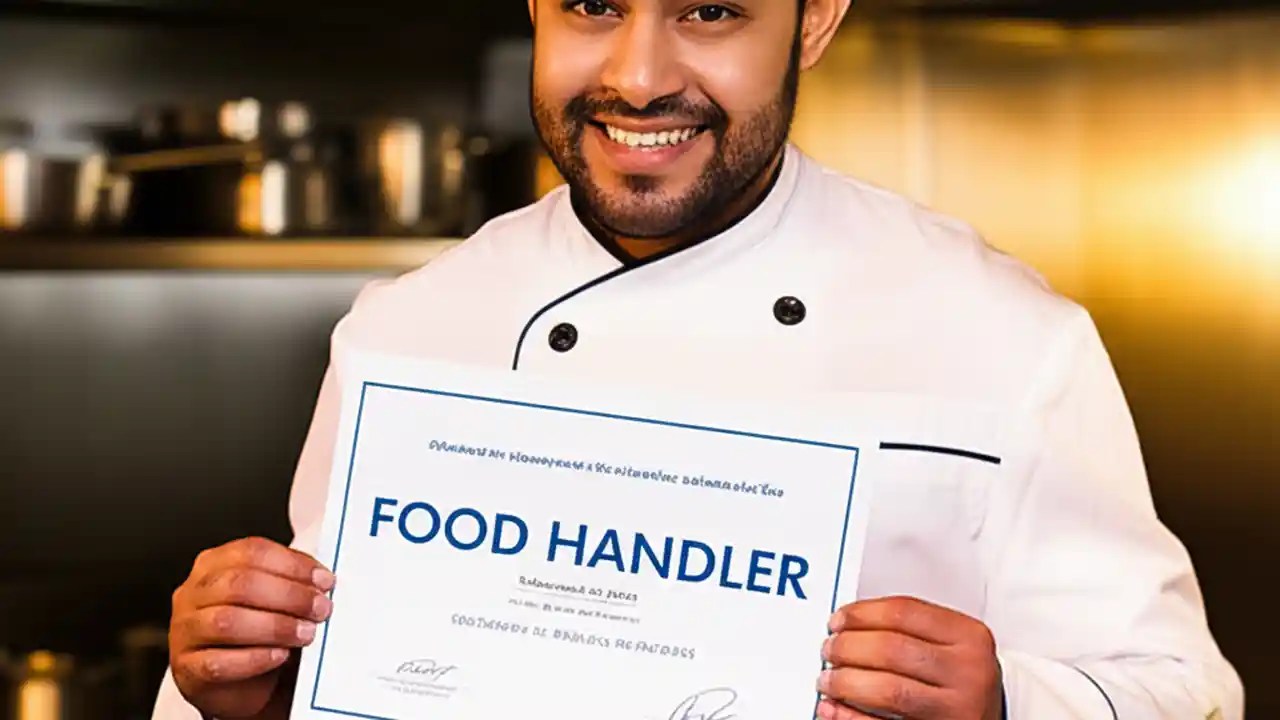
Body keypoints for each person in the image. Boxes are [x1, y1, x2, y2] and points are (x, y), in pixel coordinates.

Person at [153, 0, 1244, 718]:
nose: (635, 77)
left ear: (811, 21)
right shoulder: (404, 329)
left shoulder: (1002, 334)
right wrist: (244, 683)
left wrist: (1007, 703)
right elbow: (339, 671)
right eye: (590, 5)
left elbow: (1184, 693)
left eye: (709, 11)